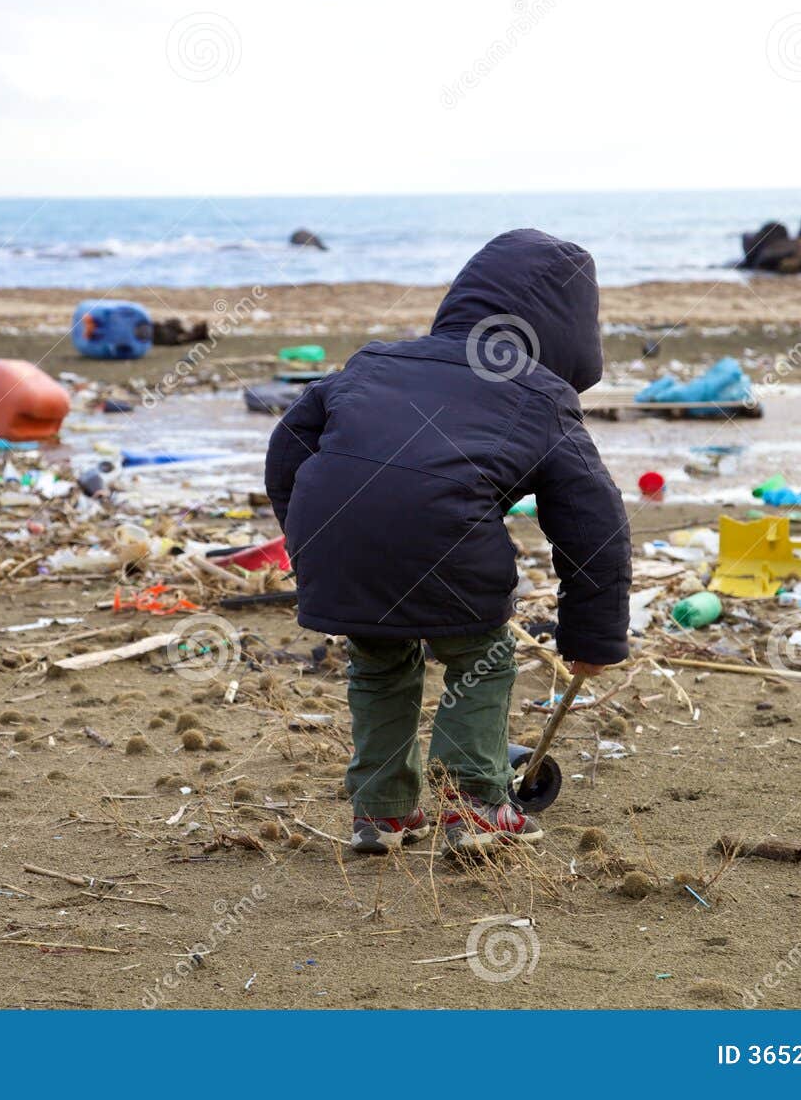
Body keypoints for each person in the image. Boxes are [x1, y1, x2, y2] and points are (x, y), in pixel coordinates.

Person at [265, 229, 631, 855]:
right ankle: (478, 806)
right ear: (570, 328)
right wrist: (591, 640)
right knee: (479, 660)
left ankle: (381, 815)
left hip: (342, 542)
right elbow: (593, 520)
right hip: (445, 545)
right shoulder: (540, 396)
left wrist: (311, 542)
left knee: (378, 665)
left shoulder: (375, 363)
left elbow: (288, 451)